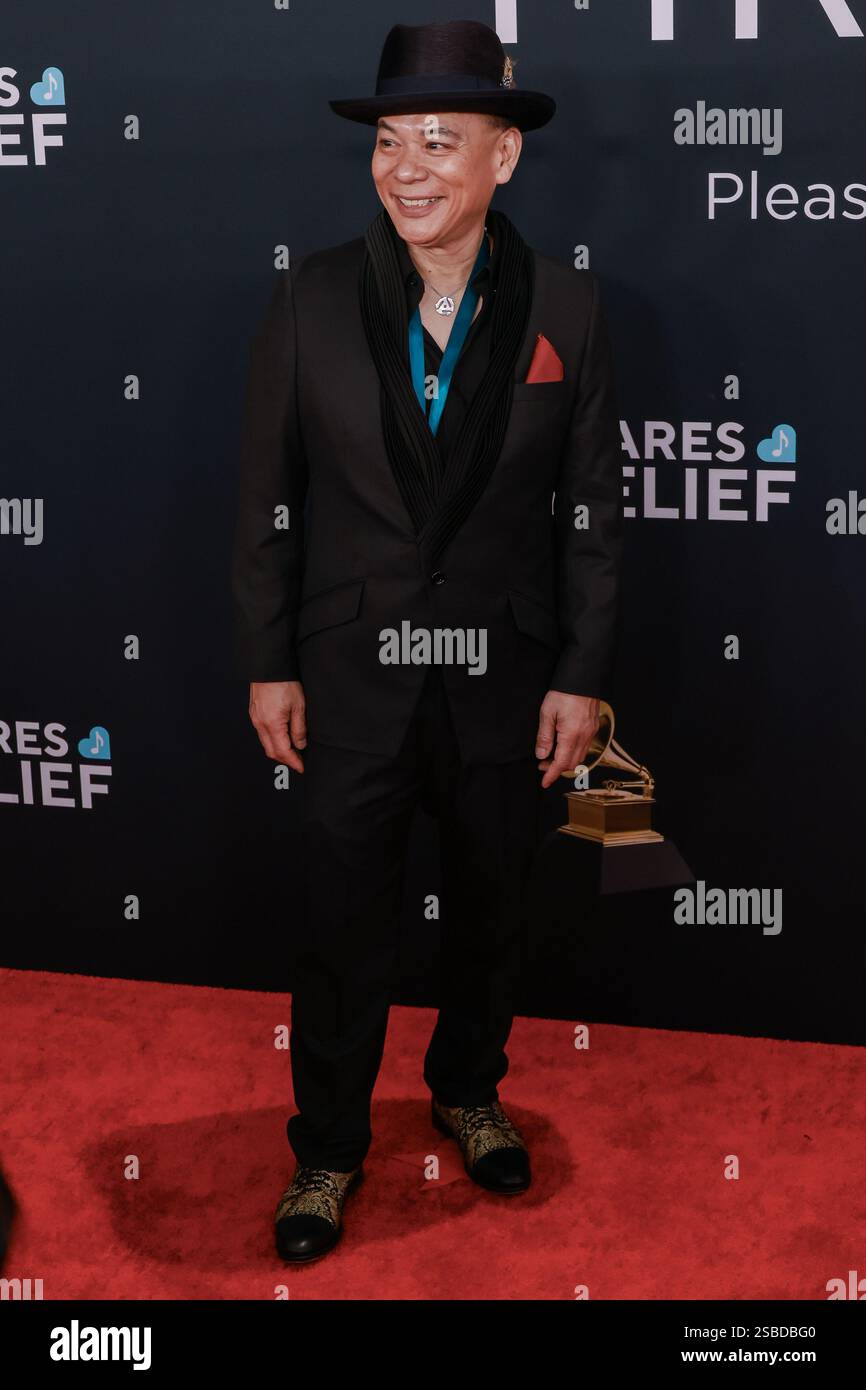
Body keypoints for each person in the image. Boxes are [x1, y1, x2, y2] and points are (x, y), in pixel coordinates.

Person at [231, 19, 624, 1263]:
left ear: (502, 158)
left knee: (494, 909)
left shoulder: (568, 305)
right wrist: (269, 659)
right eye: (389, 141)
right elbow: (263, 503)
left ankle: (467, 1089)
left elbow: (592, 519)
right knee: (342, 919)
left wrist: (577, 677)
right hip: (350, 676)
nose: (406, 167)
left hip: (505, 679)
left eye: (438, 142)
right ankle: (328, 1152)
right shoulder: (306, 299)